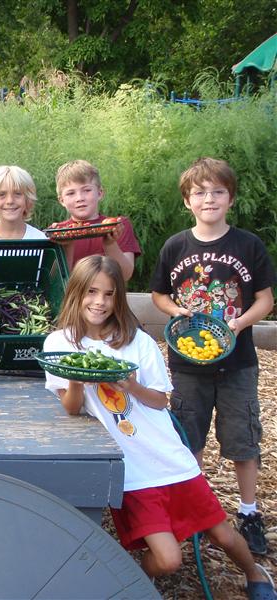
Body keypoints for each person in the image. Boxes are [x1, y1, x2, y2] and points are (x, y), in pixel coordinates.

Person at [43, 255, 275, 599]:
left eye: (109, 294)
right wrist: (76, 380)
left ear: (118, 298)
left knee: (223, 535)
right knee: (168, 560)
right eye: (91, 292)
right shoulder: (60, 344)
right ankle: (137, 579)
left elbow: (160, 400)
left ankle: (255, 573)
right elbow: (71, 408)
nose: (100, 302)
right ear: (75, 292)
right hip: (132, 469)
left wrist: (131, 386)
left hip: (167, 456)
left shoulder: (137, 342)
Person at [150, 157, 276, 556]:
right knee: (190, 436)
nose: (209, 199)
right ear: (187, 201)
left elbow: (265, 300)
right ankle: (198, 510)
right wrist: (176, 311)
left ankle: (249, 511)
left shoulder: (247, 245)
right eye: (200, 192)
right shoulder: (176, 246)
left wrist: (239, 325)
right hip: (188, 363)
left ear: (230, 198)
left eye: (218, 191)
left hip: (237, 363)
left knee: (242, 438)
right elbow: (159, 294)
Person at [50, 159, 140, 281]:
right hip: (73, 293)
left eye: (87, 190)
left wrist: (110, 243)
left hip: (109, 292)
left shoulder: (118, 226)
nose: (79, 198)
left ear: (100, 193)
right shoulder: (59, 232)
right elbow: (55, 281)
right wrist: (67, 245)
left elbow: (125, 275)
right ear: (61, 200)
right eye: (71, 193)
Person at [0, 165, 46, 241]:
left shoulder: (41, 239)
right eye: (2, 194)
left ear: (28, 198)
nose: (10, 201)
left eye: (17, 194)